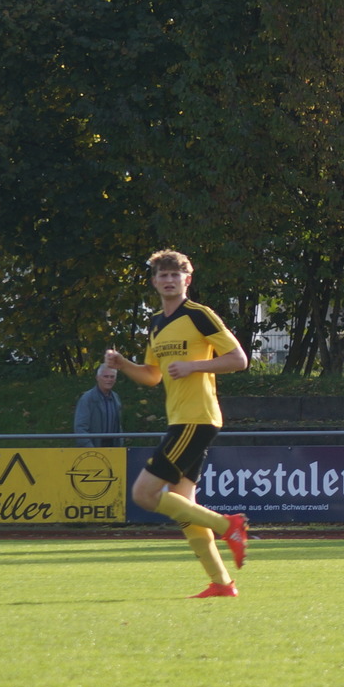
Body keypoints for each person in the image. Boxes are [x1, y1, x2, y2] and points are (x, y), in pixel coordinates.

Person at [104, 250, 251, 597]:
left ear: (188, 279)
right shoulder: (156, 323)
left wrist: (193, 366)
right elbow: (153, 376)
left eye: (175, 275)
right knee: (184, 505)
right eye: (163, 275)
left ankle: (227, 525)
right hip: (181, 420)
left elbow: (239, 359)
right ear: (154, 282)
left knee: (144, 493)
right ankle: (221, 583)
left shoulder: (199, 315)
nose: (169, 280)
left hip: (197, 418)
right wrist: (123, 364)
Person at [73, 363, 123, 447]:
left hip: (113, 447)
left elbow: (118, 425)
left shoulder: (116, 398)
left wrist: (120, 443)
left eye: (112, 377)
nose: (109, 380)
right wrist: (90, 448)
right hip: (93, 447)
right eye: (106, 376)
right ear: (97, 378)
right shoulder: (87, 399)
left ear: (115, 379)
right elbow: (80, 428)